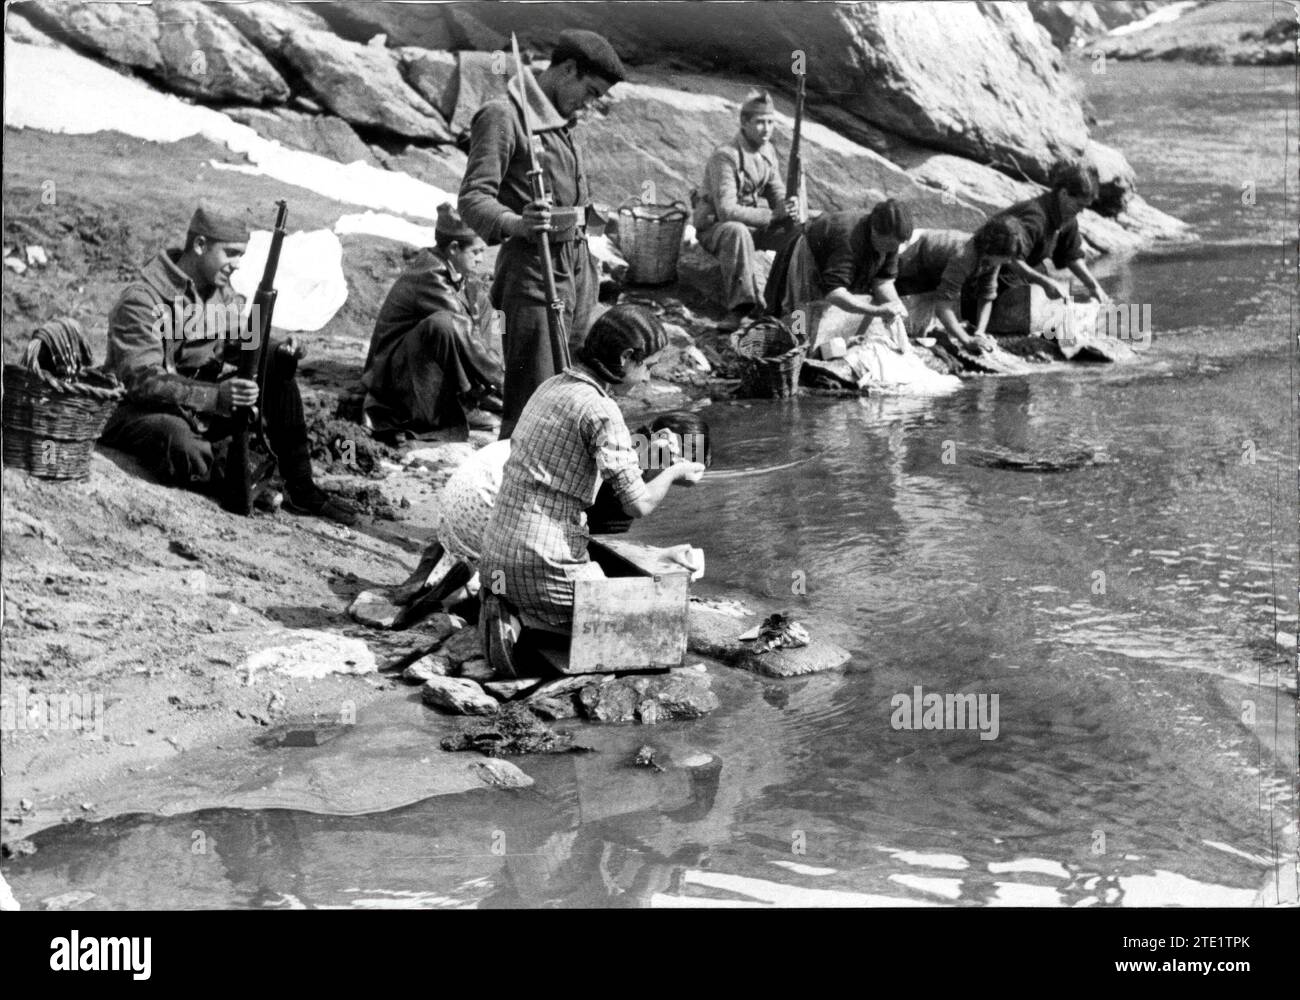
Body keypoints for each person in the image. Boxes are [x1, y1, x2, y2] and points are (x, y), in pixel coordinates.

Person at [478, 306, 705, 667]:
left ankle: (513, 610)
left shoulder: (551, 386)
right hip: (541, 563)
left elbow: (590, 454)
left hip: (495, 558)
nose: (646, 379)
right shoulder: (602, 409)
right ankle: (528, 621)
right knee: (650, 626)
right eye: (647, 367)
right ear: (626, 358)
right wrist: (674, 470)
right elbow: (638, 505)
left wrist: (645, 453)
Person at [101, 205, 355, 524]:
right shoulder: (143, 300)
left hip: (199, 406)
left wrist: (278, 349)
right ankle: (236, 475)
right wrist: (216, 397)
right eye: (231, 254)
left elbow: (242, 342)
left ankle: (301, 486)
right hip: (137, 408)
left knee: (277, 368)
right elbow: (141, 380)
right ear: (200, 245)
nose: (236, 265)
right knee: (179, 442)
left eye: (241, 256)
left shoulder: (220, 294)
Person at [459, 29, 627, 439]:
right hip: (534, 276)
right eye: (590, 91)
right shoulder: (503, 115)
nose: (590, 104)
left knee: (575, 392)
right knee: (532, 405)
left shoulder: (562, 124)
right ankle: (513, 494)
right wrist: (518, 223)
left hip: (578, 273)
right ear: (568, 69)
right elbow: (472, 198)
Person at [392, 410, 710, 625]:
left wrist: (657, 555)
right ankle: (468, 597)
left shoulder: (619, 437)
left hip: (464, 500)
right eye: (679, 470)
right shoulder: (623, 470)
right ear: (665, 440)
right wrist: (674, 472)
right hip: (486, 514)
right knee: (581, 603)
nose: (670, 483)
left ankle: (450, 569)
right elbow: (588, 541)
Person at [361, 203, 502, 443]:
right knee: (446, 325)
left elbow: (481, 325)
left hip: (410, 364)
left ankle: (473, 397)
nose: (481, 260)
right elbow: (463, 332)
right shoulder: (430, 276)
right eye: (476, 252)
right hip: (393, 378)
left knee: (462, 320)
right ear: (454, 248)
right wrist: (502, 380)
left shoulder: (451, 272)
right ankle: (462, 405)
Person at [692, 90, 801, 330]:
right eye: (760, 122)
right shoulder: (726, 156)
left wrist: (789, 208)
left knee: (798, 232)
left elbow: (776, 192)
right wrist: (772, 216)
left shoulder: (767, 151)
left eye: (771, 122)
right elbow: (726, 211)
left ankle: (779, 301)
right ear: (744, 122)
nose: (767, 129)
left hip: (751, 225)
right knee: (736, 230)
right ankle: (741, 309)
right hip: (716, 228)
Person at [764, 198, 913, 329]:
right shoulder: (849, 237)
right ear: (875, 230)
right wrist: (875, 311)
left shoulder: (892, 239)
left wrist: (895, 305)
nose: (891, 250)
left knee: (827, 322)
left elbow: (883, 281)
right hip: (805, 258)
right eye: (888, 245)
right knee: (797, 312)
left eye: (895, 246)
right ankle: (791, 344)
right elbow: (835, 293)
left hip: (833, 272)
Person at [894, 216, 1030, 354]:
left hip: (932, 274)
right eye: (1007, 257)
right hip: (910, 254)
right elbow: (943, 307)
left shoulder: (992, 260)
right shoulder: (964, 256)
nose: (1008, 262)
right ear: (992, 249)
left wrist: (980, 333)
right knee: (901, 325)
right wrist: (967, 340)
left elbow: (986, 296)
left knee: (923, 325)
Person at [991, 160, 1110, 304]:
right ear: (1064, 193)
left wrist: (1094, 286)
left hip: (1025, 269)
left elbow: (1071, 256)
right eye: (1079, 205)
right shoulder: (1036, 217)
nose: (1081, 211)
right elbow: (1011, 260)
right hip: (996, 274)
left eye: (1085, 206)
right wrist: (1044, 282)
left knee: (1060, 297)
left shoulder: (1067, 218)